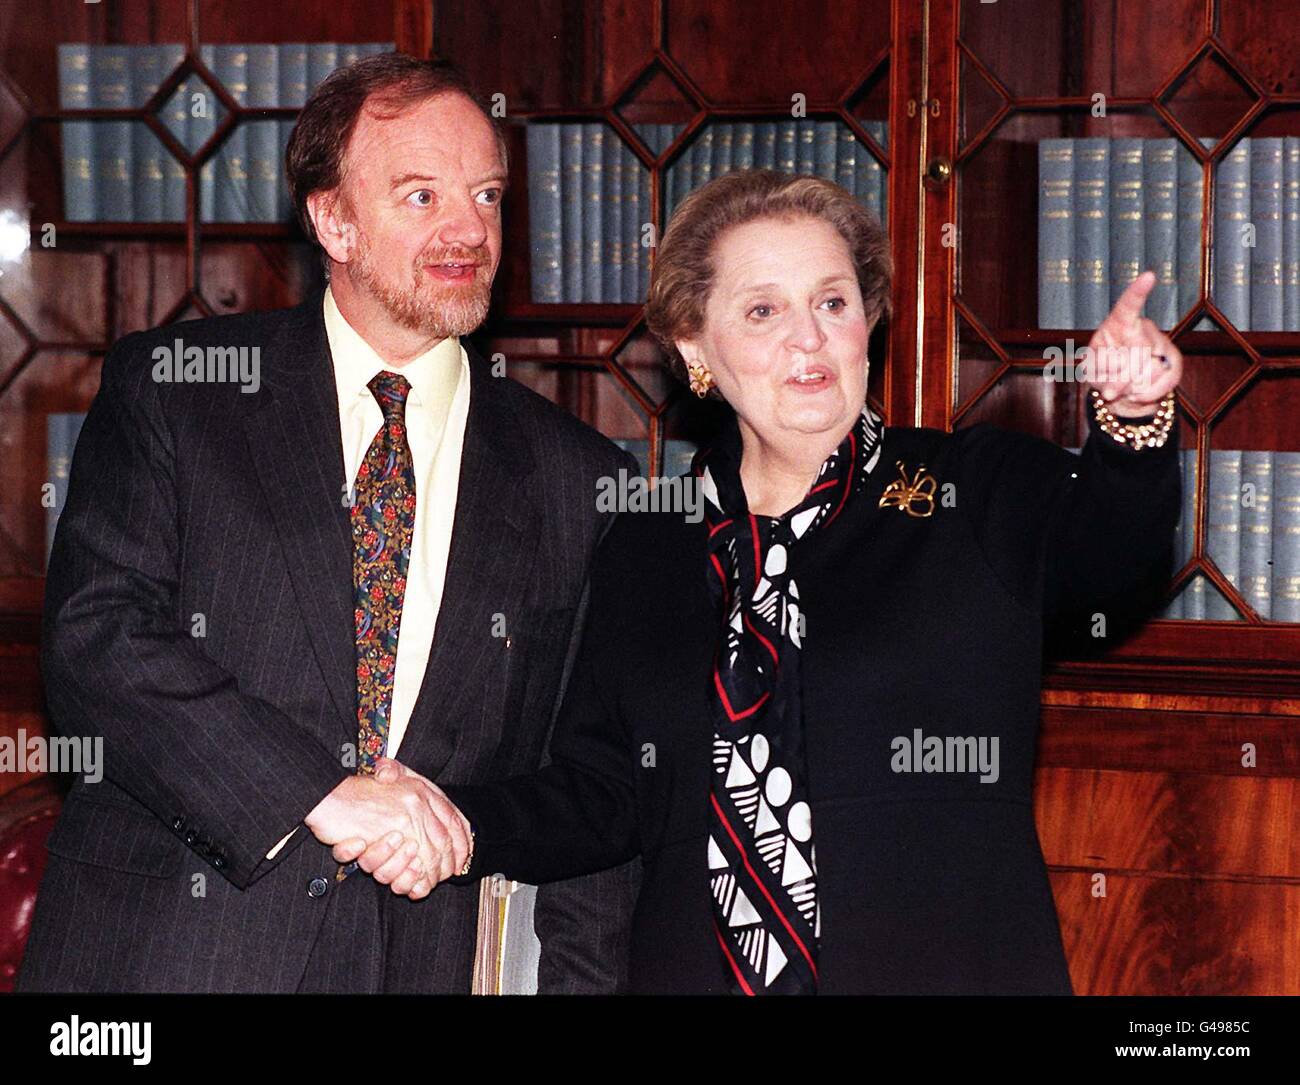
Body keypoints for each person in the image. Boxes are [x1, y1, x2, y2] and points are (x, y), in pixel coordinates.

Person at [340, 169, 1183, 994]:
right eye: (763, 310)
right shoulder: (648, 540)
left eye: (832, 302)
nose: (809, 338)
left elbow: (1111, 553)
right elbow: (609, 794)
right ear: (695, 349)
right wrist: (458, 822)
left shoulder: (972, 492)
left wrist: (1132, 424)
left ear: (867, 322)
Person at [18, 54, 640, 993]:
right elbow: (97, 643)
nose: (469, 228)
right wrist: (319, 795)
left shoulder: (581, 480)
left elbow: (589, 806)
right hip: (166, 965)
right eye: (422, 195)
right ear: (332, 218)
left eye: (487, 194)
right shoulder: (179, 392)